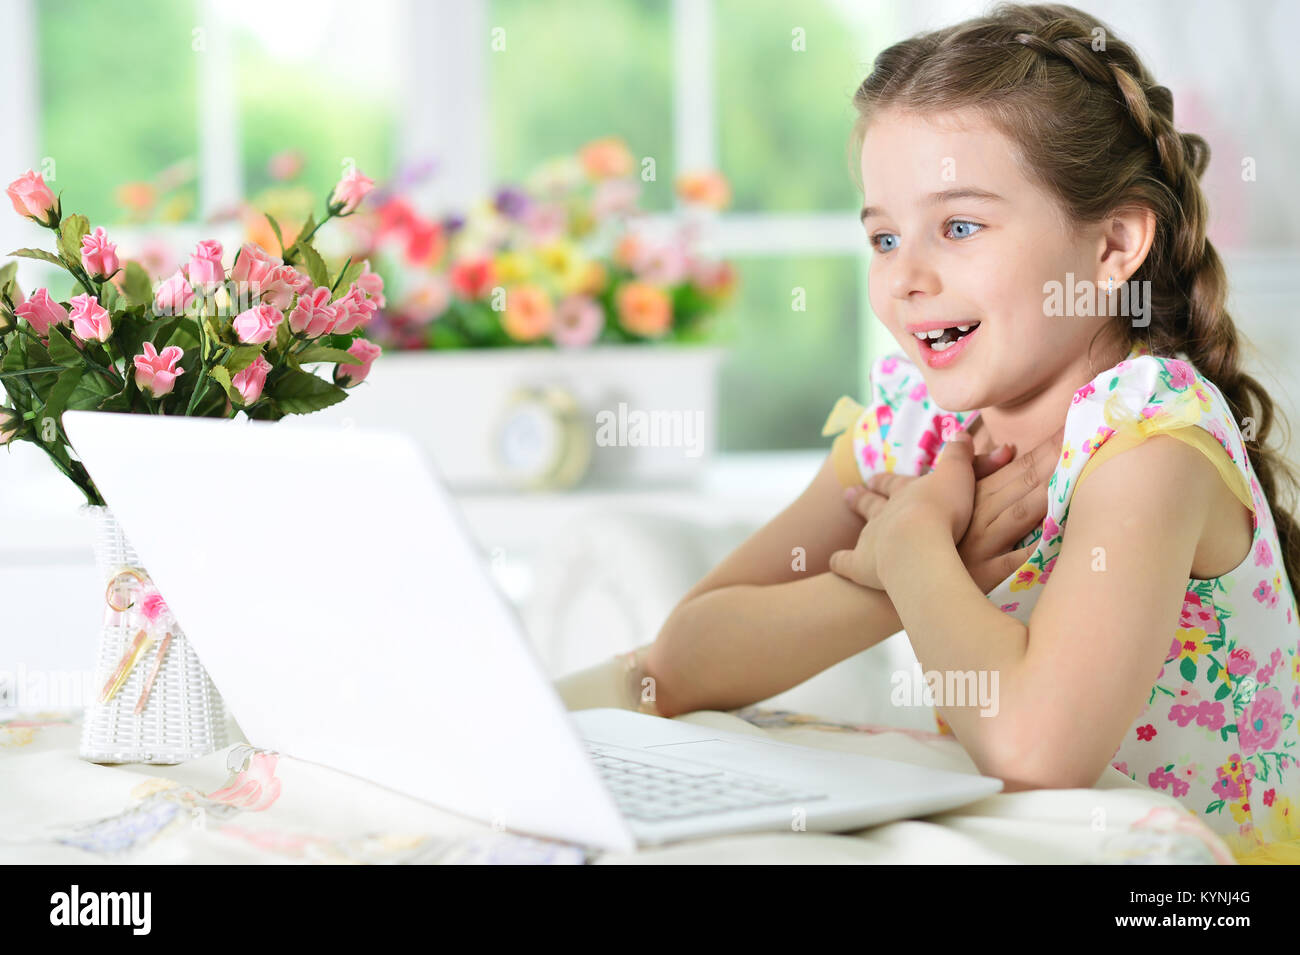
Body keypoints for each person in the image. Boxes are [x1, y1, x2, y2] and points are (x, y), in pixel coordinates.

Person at [559, 3, 1300, 862]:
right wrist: (890, 582)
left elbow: (1035, 751)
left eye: (958, 226)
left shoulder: (1151, 446)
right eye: (882, 235)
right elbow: (676, 664)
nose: (906, 277)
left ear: (1114, 245)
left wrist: (911, 544)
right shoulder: (917, 427)